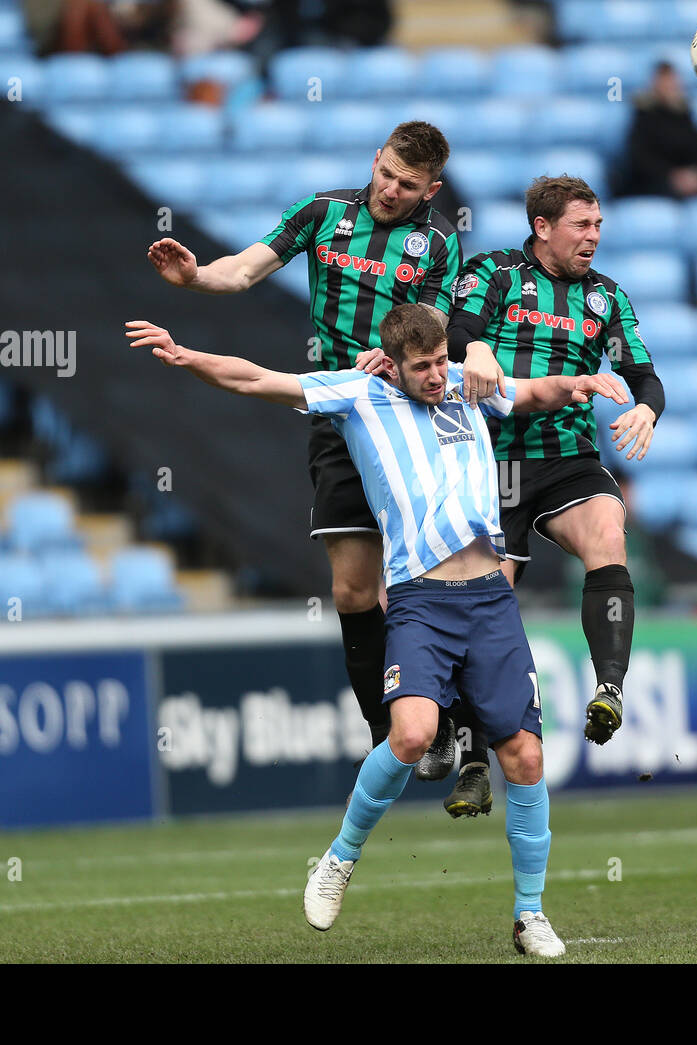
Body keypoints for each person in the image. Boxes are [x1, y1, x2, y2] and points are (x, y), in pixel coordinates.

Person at [124, 305, 629, 956]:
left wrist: (578, 384)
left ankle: (529, 913)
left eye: (441, 360)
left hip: (489, 599)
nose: (435, 376)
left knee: (525, 758)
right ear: (390, 363)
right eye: (422, 367)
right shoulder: (358, 394)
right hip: (421, 598)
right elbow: (257, 379)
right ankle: (338, 858)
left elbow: (532, 392)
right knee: (414, 733)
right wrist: (188, 355)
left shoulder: (465, 384)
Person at [147, 121, 462, 768]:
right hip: (335, 409)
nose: (392, 191)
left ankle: (450, 718)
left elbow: (435, 323)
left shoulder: (436, 242)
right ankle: (389, 730)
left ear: (430, 188)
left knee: (418, 576)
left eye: (408, 185)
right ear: (375, 159)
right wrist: (195, 277)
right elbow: (242, 271)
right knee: (351, 588)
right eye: (386, 174)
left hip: (404, 414)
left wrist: (401, 350)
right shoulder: (324, 213)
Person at [435, 175, 664, 812]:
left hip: (566, 457)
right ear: (543, 227)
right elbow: (458, 334)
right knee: (488, 599)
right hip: (489, 458)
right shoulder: (496, 273)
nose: (593, 238)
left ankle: (609, 690)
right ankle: (476, 758)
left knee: (608, 533)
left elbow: (645, 375)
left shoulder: (607, 298)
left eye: (598, 227)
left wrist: (647, 409)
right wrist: (475, 347)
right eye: (580, 227)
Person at [619, 61, 697, 199]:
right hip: (650, 182)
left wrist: (692, 174)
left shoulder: (684, 113)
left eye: (672, 80)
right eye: (664, 80)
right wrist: (672, 176)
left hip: (684, 179)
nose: (669, 85)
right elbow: (640, 158)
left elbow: (695, 150)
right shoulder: (644, 114)